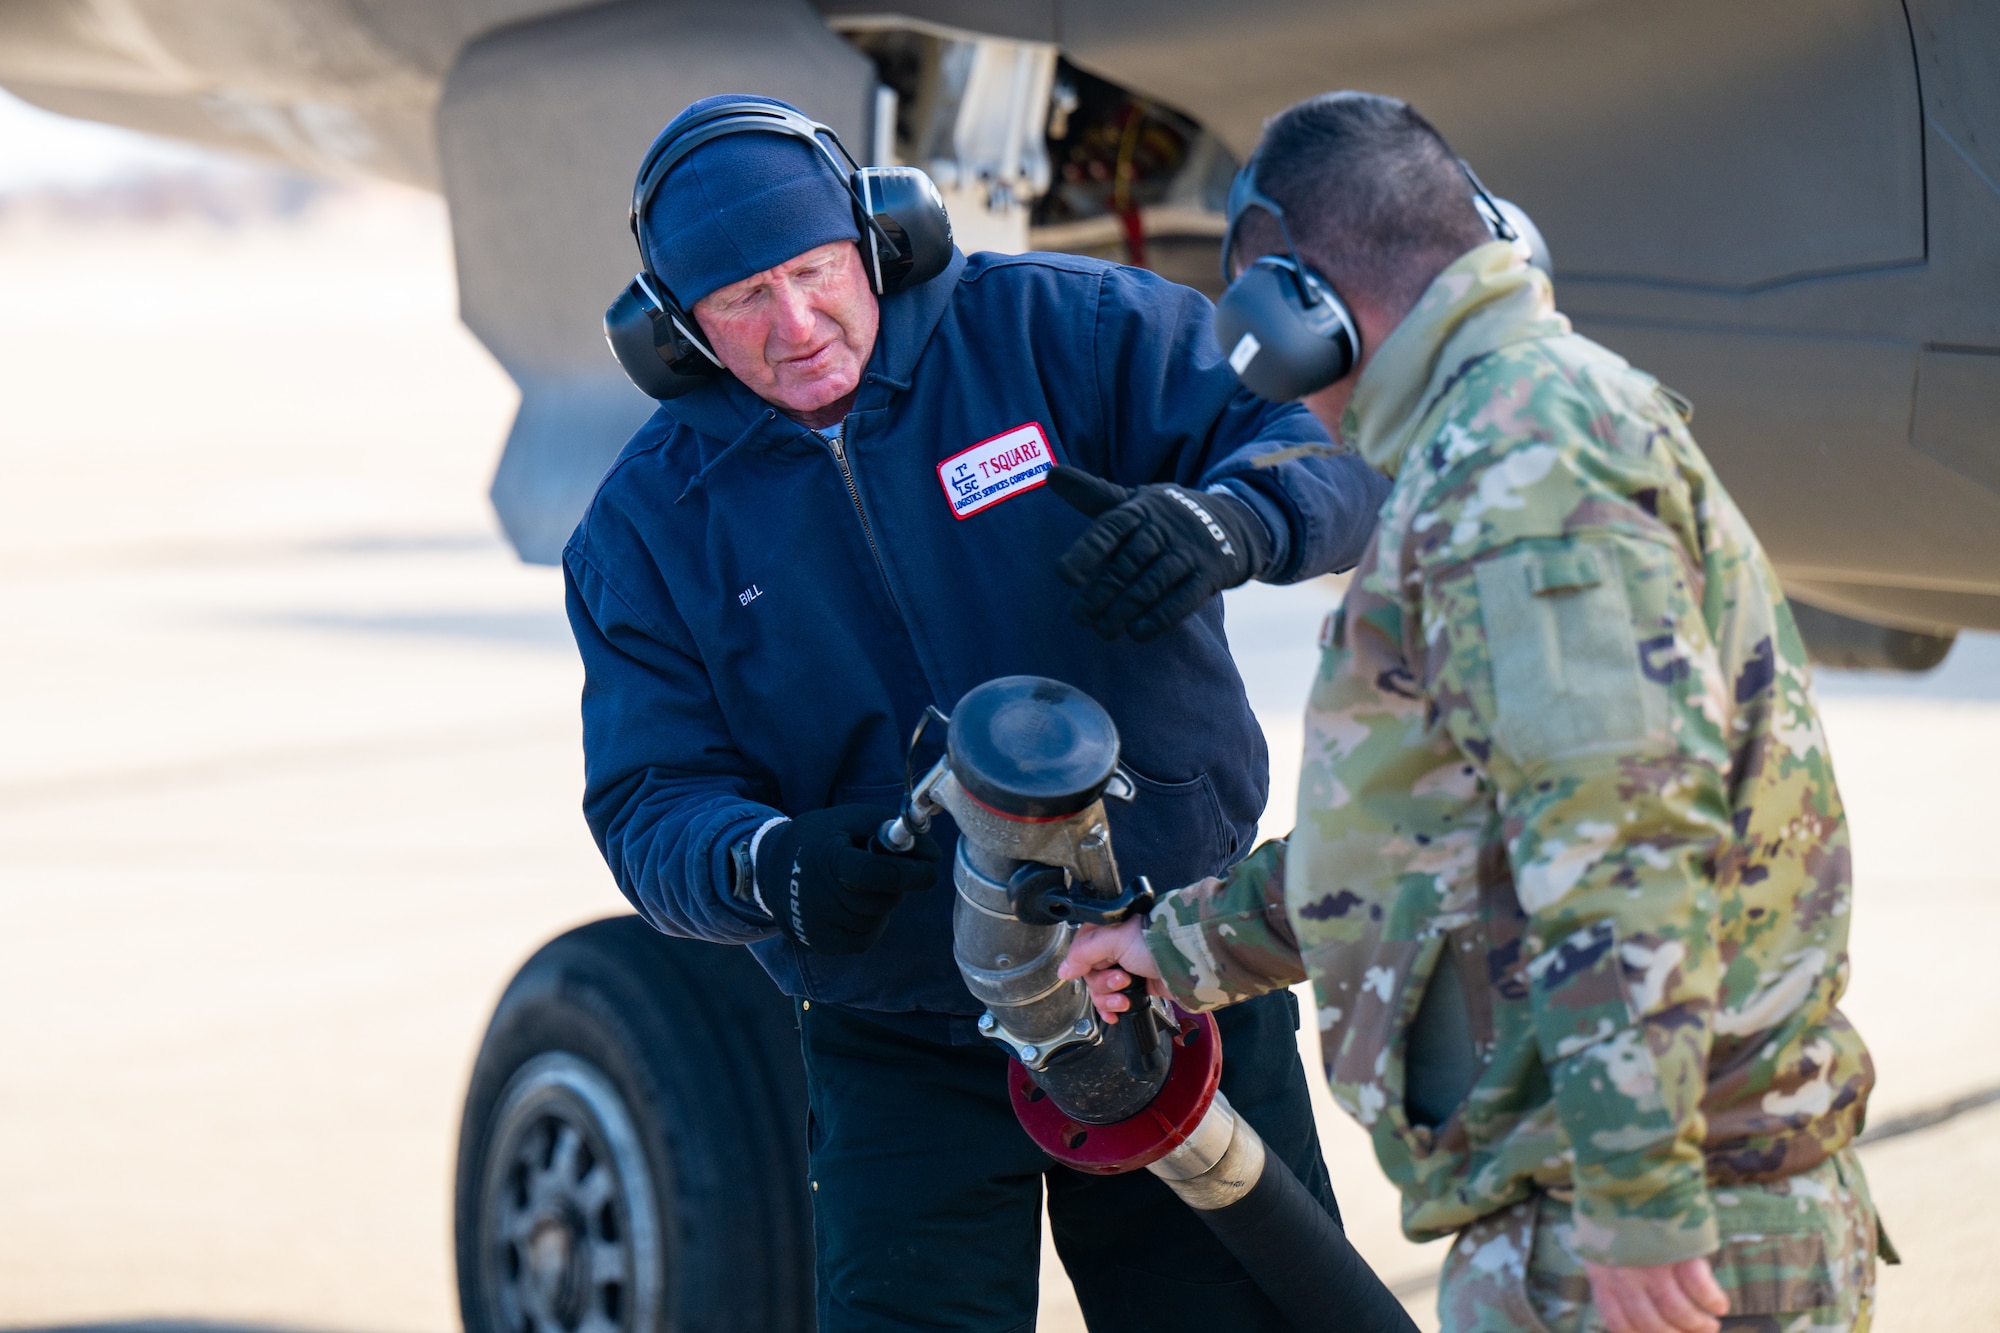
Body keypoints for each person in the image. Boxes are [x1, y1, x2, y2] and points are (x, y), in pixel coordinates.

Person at [564, 93, 1392, 1332]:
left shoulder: (1071, 330)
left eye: (810, 270)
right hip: (899, 1036)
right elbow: (649, 804)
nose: (794, 326)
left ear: (879, 236)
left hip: (1164, 971)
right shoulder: (646, 530)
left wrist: (1230, 522)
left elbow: (1323, 455)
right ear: (672, 332)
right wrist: (767, 865)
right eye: (741, 300)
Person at [1063, 91, 1889, 1333]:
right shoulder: (1507, 440)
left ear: (1301, 315)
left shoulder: (1521, 468)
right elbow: (1429, 828)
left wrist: (1636, 1205)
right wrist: (1176, 950)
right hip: (1609, 1202)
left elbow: (1617, 836)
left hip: (1637, 1231)